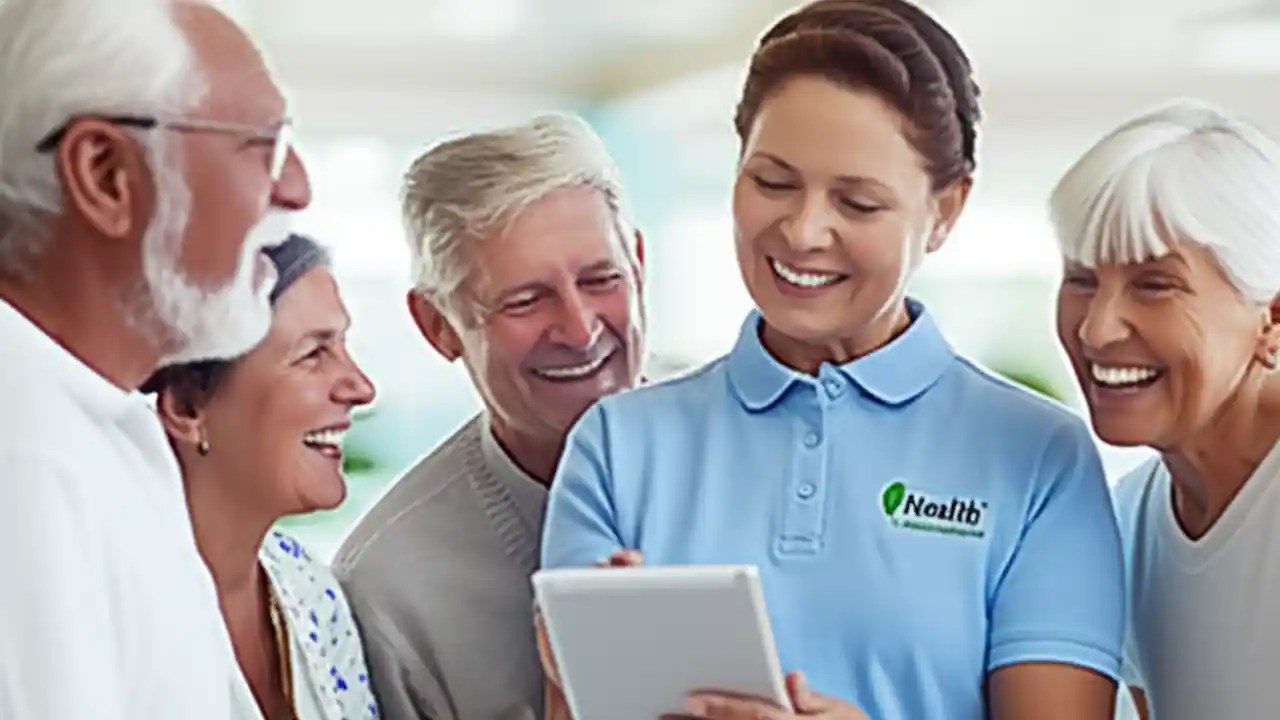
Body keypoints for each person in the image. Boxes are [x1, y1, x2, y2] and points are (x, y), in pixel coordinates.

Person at [540, 1, 1125, 719]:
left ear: (946, 211)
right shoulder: (617, 447)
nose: (804, 231)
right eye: (773, 183)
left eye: (858, 202)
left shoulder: (1040, 458)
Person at [0, 0, 309, 717]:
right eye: (263, 144)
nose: (297, 188)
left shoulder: (99, 428)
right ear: (107, 174)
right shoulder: (26, 459)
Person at [332, 112, 646, 720]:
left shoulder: (762, 444)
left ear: (638, 264)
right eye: (525, 301)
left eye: (601, 278)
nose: (581, 330)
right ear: (438, 326)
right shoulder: (389, 593)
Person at [1050, 99, 1280, 720]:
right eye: (1081, 279)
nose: (1096, 330)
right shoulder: (1129, 519)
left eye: (1154, 285)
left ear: (1273, 316)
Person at [142, 234, 379, 720]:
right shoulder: (111, 611)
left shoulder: (309, 591)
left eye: (343, 344)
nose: (361, 387)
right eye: (313, 354)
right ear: (187, 406)